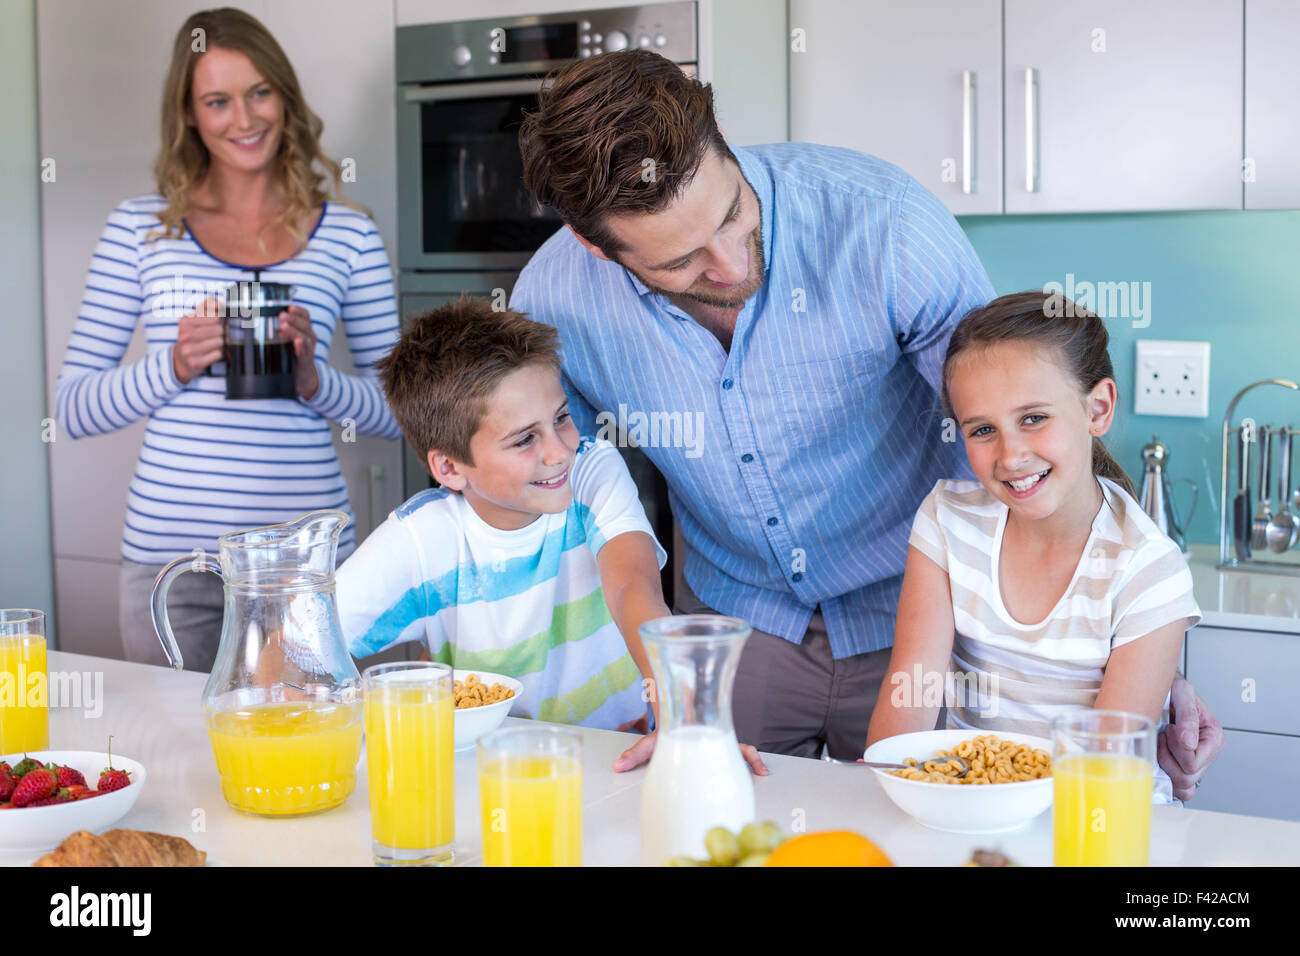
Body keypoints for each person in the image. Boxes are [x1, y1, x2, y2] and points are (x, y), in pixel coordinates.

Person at [510, 49, 1224, 799]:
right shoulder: (556, 301)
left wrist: (1143, 655)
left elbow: (1029, 425)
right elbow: (590, 505)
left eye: (732, 216)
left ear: (718, 131)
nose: (728, 266)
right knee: (722, 828)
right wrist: (660, 679)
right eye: (684, 261)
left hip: (923, 615)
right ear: (593, 243)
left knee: (913, 833)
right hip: (734, 617)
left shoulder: (886, 225)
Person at [53, 8, 400, 672]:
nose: (244, 119)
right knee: (179, 760)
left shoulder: (350, 235)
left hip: (306, 568)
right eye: (218, 101)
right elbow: (73, 407)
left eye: (259, 92)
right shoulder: (139, 230)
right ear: (189, 114)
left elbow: (399, 410)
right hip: (172, 567)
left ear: (285, 96)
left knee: (309, 762)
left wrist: (315, 382)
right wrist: (175, 365)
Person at [333, 297, 766, 772]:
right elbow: (296, 644)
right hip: (488, 778)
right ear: (450, 467)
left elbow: (631, 589)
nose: (560, 451)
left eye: (560, 417)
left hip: (617, 760)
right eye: (524, 439)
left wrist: (686, 725)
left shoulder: (591, 470)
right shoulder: (422, 539)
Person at [864, 291, 1202, 802]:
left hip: (1099, 821)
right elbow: (908, 699)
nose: (1011, 455)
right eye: (983, 430)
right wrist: (893, 796)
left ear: (1098, 408)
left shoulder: (1148, 569)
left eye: (1033, 418)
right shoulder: (947, 522)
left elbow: (1103, 771)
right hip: (974, 812)